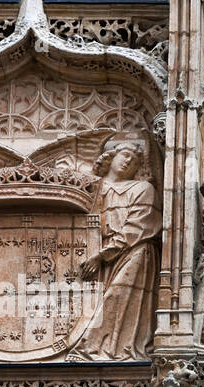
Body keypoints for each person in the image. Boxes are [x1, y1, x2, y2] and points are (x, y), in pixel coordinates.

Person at [80, 142, 161, 359]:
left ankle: (110, 349)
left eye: (134, 161)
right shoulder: (91, 189)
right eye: (125, 155)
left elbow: (137, 227)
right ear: (109, 158)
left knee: (118, 298)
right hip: (96, 256)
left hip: (132, 252)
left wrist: (103, 255)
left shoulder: (143, 189)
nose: (128, 162)